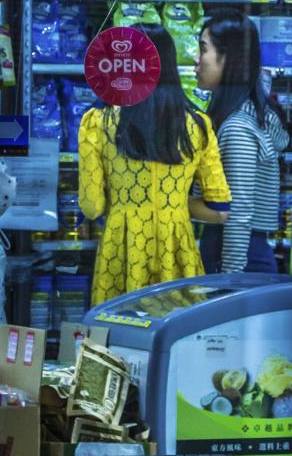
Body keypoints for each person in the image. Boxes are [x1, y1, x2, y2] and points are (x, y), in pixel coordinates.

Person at [79, 25, 231, 306]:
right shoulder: (197, 124)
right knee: (177, 336)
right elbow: (219, 208)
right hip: (178, 249)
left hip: (122, 247)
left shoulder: (97, 122)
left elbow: (92, 206)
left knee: (118, 338)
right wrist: (169, 204)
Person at [194, 10, 290, 275]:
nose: (196, 59)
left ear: (229, 59)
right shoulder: (251, 117)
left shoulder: (238, 128)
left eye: (203, 50)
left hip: (236, 255)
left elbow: (238, 211)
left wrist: (231, 278)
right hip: (239, 251)